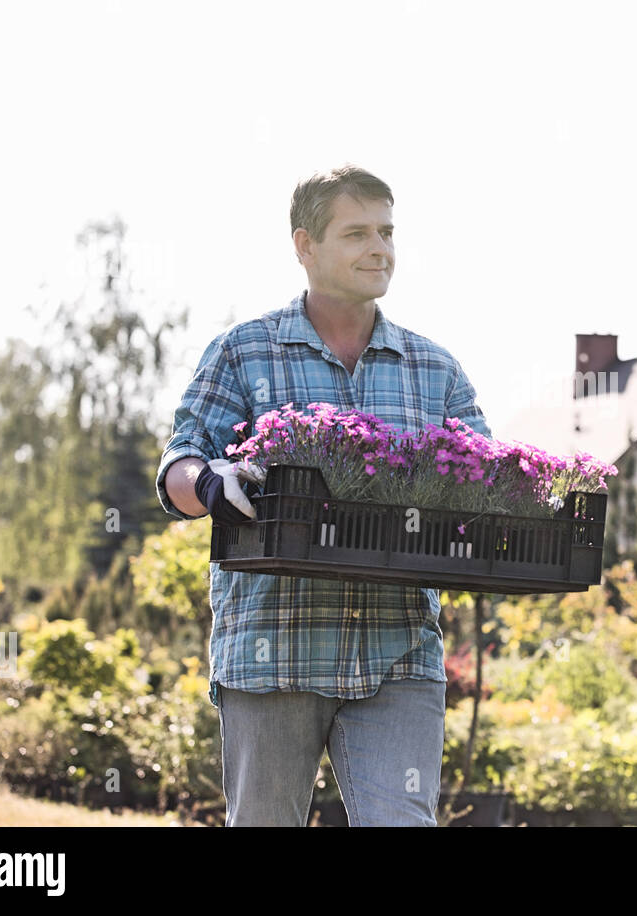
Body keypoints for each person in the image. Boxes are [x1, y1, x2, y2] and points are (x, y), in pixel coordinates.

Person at [156, 162, 491, 826]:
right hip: (274, 653)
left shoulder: (435, 371)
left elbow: (487, 482)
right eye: (357, 233)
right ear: (305, 245)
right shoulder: (245, 352)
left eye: (388, 232)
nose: (379, 249)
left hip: (396, 652)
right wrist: (208, 482)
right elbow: (177, 468)